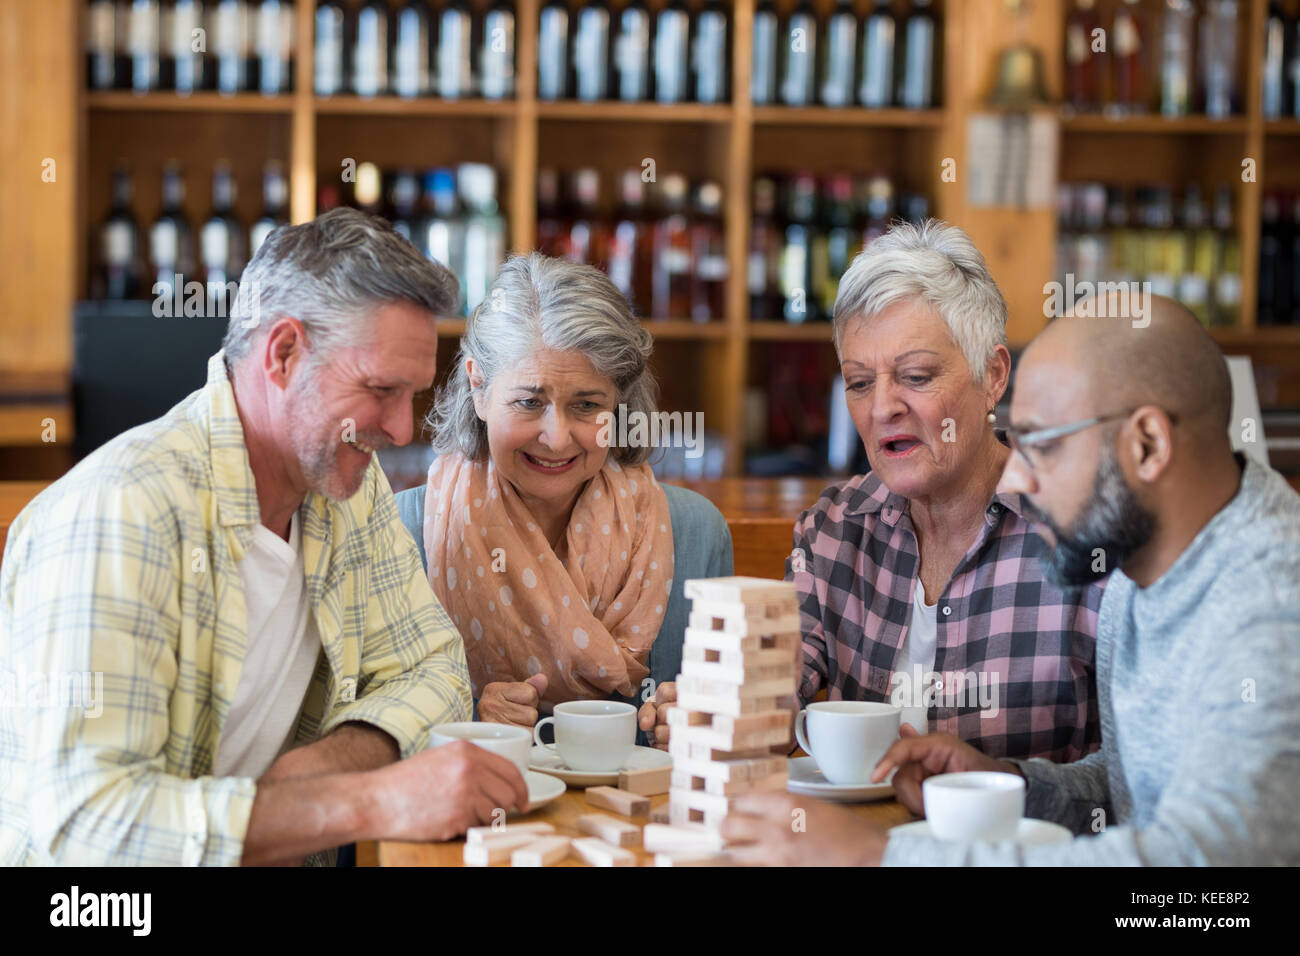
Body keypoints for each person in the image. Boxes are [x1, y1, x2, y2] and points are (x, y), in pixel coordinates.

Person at [0, 208, 528, 867]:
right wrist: (371, 801)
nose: (400, 430)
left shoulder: (347, 487)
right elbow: (87, 827)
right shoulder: (120, 512)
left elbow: (436, 670)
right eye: (381, 390)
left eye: (413, 395)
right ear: (283, 354)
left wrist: (314, 770)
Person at [722, 294, 1300, 866]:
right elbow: (1135, 793)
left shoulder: (1272, 603)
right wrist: (1008, 783)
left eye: (1042, 446)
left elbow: (1214, 869)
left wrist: (883, 856)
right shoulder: (1141, 571)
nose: (1015, 476)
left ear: (1147, 445)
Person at [641, 220, 1103, 762]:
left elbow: (1127, 777)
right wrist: (722, 710)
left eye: (916, 376)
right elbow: (776, 698)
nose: (882, 408)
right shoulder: (836, 527)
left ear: (994, 376)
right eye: (859, 383)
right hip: (856, 845)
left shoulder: (1081, 531)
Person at [419, 253, 731, 730]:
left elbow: (731, 720)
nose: (557, 437)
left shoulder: (696, 531)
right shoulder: (406, 528)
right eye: (529, 401)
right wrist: (464, 718)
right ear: (478, 388)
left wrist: (707, 728)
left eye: (587, 406)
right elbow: (380, 729)